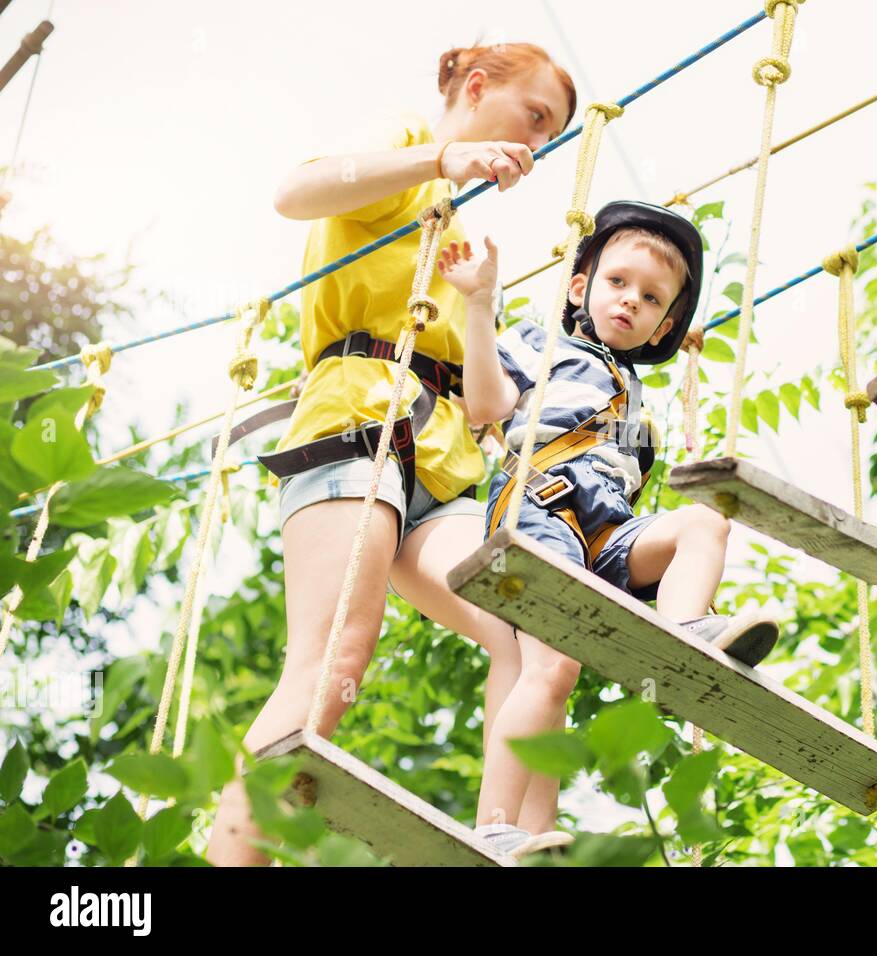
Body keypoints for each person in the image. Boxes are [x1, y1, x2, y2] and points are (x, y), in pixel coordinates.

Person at [206, 42, 577, 866]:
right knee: (335, 656)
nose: (538, 142)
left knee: (528, 632)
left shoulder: (456, 233)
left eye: (550, 131)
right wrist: (442, 155)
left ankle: (509, 831)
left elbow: (487, 405)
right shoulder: (407, 150)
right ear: (477, 88)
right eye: (535, 116)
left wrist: (481, 304)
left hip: (441, 456)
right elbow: (295, 190)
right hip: (357, 424)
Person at [441, 200, 781, 843]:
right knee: (552, 671)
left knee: (702, 523)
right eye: (618, 283)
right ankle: (493, 827)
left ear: (663, 327)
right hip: (540, 509)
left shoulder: (633, 390)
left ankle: (685, 632)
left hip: (606, 531)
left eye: (651, 299)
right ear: (580, 288)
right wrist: (481, 306)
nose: (630, 301)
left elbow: (625, 482)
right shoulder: (540, 344)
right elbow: (485, 405)